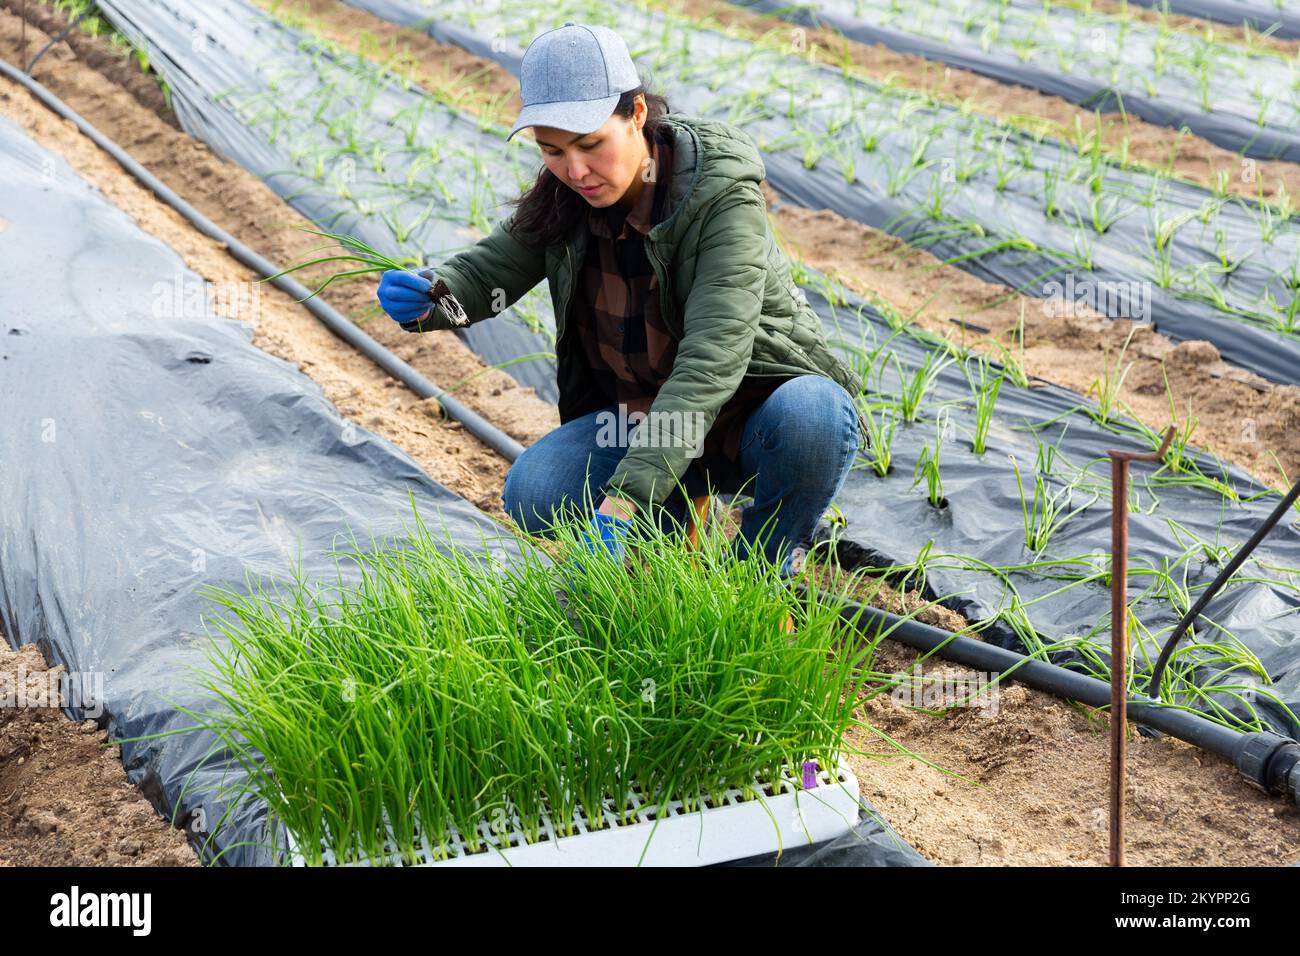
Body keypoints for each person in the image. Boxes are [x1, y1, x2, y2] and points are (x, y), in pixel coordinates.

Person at [377, 22, 865, 576]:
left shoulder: (719, 199)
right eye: (552, 151)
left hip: (747, 408)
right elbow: (492, 269)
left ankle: (759, 573)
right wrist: (431, 295)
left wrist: (626, 496)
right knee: (537, 492)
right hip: (640, 416)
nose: (576, 171)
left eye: (590, 145)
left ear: (637, 114)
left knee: (814, 419)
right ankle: (673, 529)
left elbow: (712, 359)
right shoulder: (564, 197)